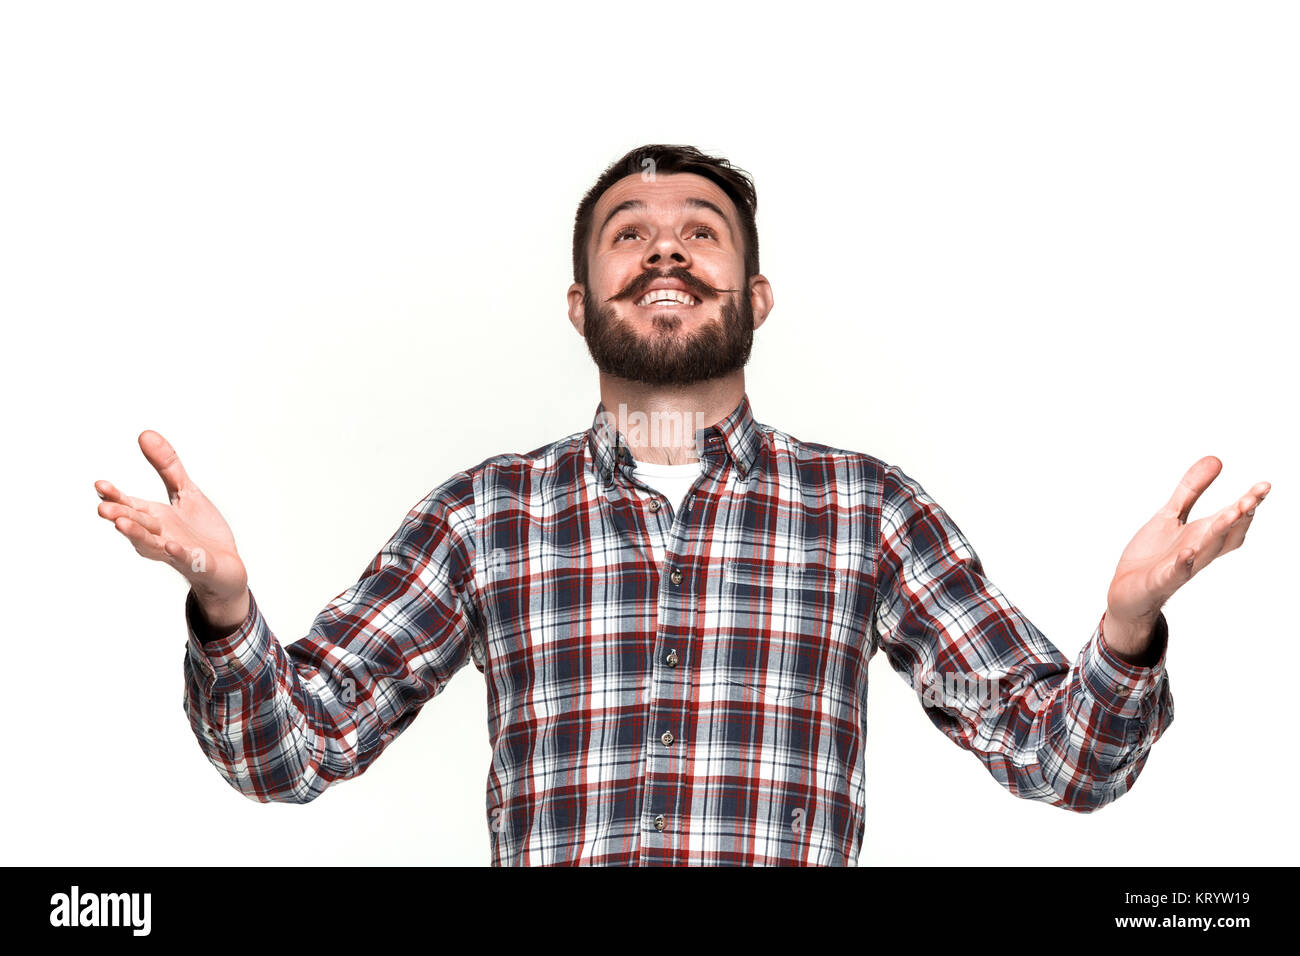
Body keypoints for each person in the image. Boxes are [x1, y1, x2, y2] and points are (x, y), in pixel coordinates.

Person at [94, 144, 1269, 866]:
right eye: (629, 235)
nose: (666, 253)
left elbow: (1057, 757)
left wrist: (1123, 632)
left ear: (754, 291)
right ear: (578, 300)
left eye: (700, 233)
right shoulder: (484, 518)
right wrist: (227, 607)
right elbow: (294, 748)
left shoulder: (866, 514)